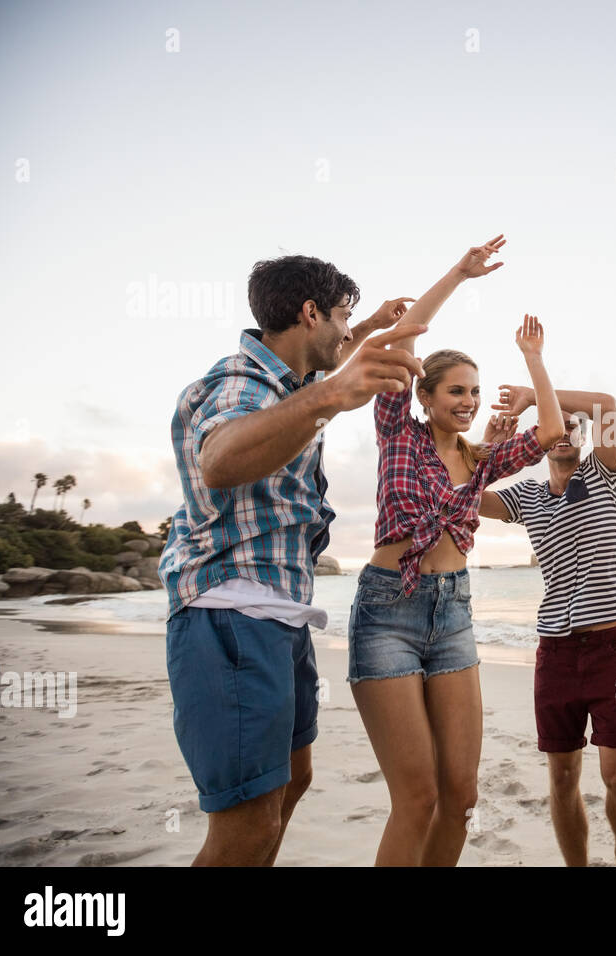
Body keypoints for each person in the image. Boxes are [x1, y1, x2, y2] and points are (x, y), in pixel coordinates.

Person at [160, 253, 423, 865]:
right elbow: (220, 460)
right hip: (229, 611)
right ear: (311, 314)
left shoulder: (291, 382)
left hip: (278, 613)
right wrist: (332, 392)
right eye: (342, 318)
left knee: (292, 783)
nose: (348, 333)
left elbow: (331, 363)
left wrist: (368, 329)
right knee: (248, 823)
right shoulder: (240, 381)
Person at [349, 237, 566, 866]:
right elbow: (407, 333)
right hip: (388, 611)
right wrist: (459, 275)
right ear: (424, 395)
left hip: (454, 615)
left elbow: (551, 434)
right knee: (416, 797)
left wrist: (534, 360)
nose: (468, 402)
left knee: (461, 795)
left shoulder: (479, 462)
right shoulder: (396, 432)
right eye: (455, 392)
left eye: (474, 392)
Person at [477, 383, 616, 867]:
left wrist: (533, 392)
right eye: (558, 426)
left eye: (575, 426)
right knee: (563, 777)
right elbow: (466, 492)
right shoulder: (528, 495)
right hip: (555, 653)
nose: (567, 432)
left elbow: (609, 405)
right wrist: (489, 445)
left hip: (610, 647)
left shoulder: (603, 475)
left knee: (615, 772)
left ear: (586, 439)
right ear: (544, 438)